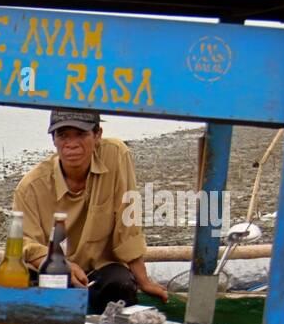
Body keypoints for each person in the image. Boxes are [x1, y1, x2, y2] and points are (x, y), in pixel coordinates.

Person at [14, 108, 169, 313]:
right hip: (53, 270)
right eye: (63, 135)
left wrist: (144, 280)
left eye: (81, 134)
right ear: (53, 140)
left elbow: (128, 223)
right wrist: (62, 266)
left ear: (98, 135)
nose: (71, 144)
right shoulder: (30, 187)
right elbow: (24, 243)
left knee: (121, 285)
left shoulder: (115, 155)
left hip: (101, 269)